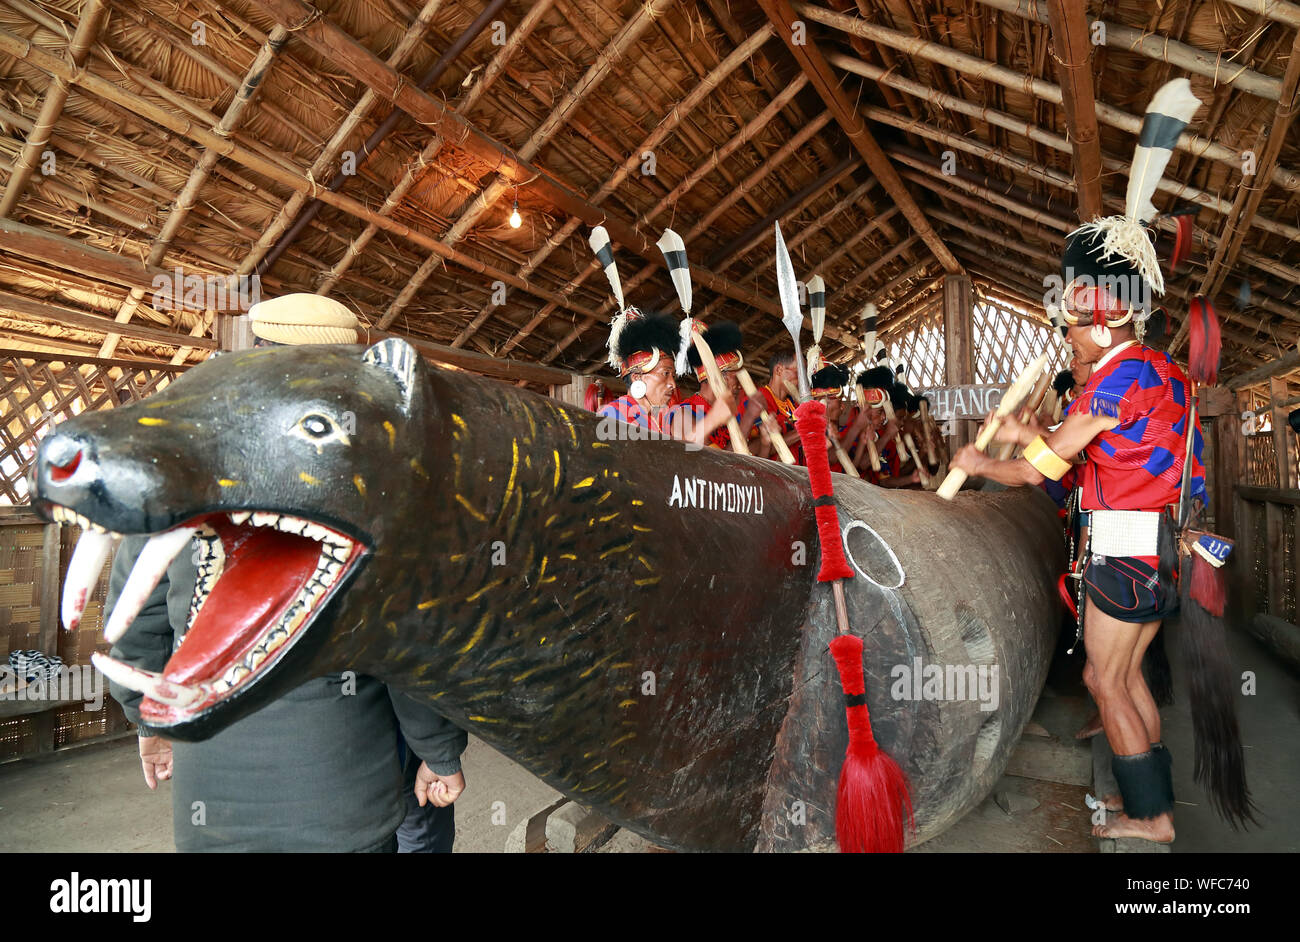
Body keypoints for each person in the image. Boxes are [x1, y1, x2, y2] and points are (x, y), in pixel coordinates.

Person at [107, 294, 467, 852]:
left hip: (211, 800)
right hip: (339, 794)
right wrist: (437, 751)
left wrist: (150, 724)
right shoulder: (363, 467)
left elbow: (135, 621)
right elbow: (404, 635)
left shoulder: (182, 456)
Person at [668, 320, 746, 450]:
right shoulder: (685, 414)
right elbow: (717, 464)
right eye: (736, 377)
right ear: (721, 377)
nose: (739, 386)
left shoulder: (725, 413)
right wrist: (747, 421)